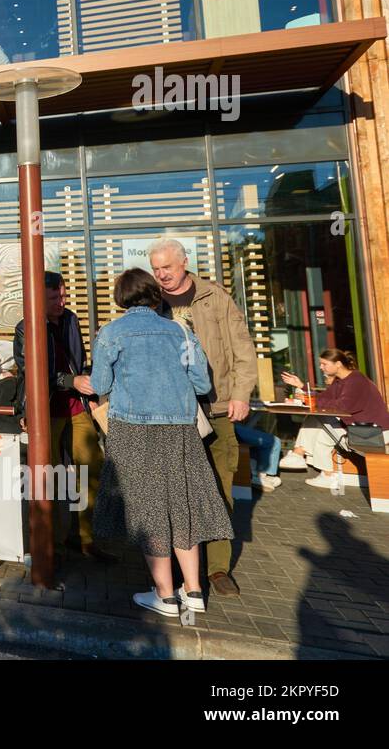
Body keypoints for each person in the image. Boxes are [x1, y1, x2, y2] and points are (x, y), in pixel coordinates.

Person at [90, 268, 233, 619]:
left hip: (132, 429)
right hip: (180, 429)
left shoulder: (111, 333)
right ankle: (195, 591)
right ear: (154, 295)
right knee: (182, 506)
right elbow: (201, 383)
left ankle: (166, 596)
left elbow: (100, 381)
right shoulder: (180, 333)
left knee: (149, 510)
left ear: (121, 298)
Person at [149, 238, 256, 598]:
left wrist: (241, 393)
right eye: (156, 268)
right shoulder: (152, 303)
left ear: (184, 263)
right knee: (170, 492)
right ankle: (174, 570)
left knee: (219, 487)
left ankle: (218, 567)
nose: (162, 274)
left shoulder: (215, 297)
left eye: (167, 267)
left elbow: (242, 348)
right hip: (170, 411)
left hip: (216, 406)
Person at [13, 271, 111, 563]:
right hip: (46, 411)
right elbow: (32, 371)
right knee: (49, 478)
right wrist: (71, 382)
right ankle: (48, 544)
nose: (62, 301)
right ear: (38, 298)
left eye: (63, 295)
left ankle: (82, 538)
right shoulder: (25, 328)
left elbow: (78, 362)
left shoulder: (71, 320)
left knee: (92, 468)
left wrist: (89, 397)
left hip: (77, 407)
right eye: (55, 297)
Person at [278, 349, 389, 488]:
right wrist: (301, 386)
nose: (320, 367)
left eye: (324, 364)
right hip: (357, 428)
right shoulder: (340, 381)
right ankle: (318, 469)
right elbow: (323, 398)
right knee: (319, 426)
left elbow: (343, 406)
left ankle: (300, 456)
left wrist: (311, 399)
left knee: (320, 422)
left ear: (338, 364)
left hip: (372, 433)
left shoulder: (356, 380)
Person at [235, 415, 283, 491]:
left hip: (229, 425)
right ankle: (264, 476)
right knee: (275, 441)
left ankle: (255, 474)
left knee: (258, 432)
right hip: (231, 427)